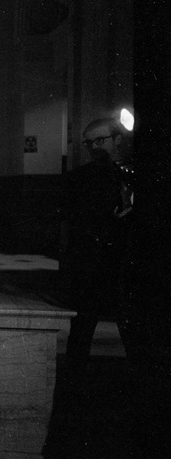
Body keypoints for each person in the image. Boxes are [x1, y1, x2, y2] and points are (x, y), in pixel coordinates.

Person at [60, 117, 133, 372]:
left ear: (118, 140)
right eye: (89, 143)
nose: (94, 147)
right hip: (93, 265)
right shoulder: (79, 179)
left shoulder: (132, 174)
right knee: (82, 331)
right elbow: (75, 221)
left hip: (127, 264)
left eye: (100, 140)